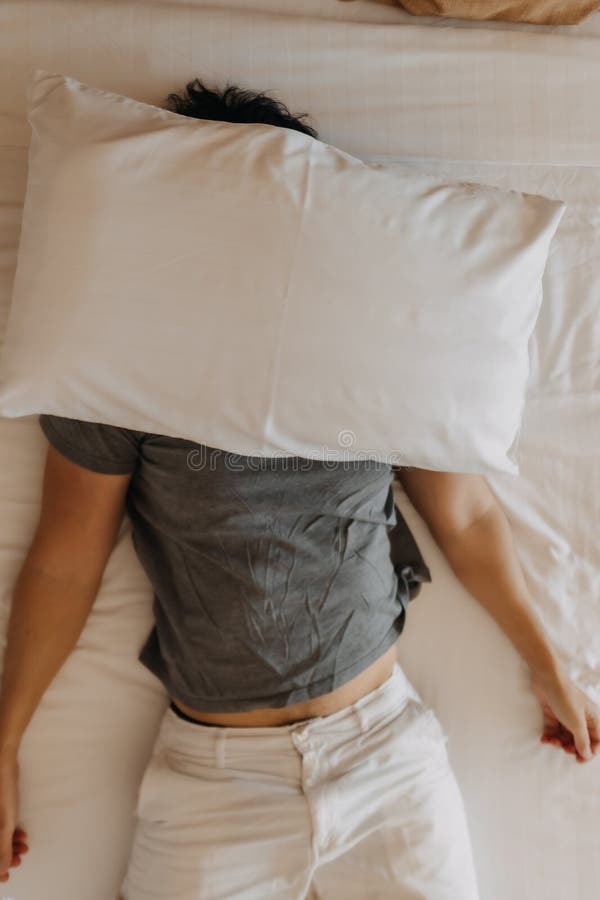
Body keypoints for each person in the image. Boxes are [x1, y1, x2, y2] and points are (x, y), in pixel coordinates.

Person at [0, 80, 598, 900]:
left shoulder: (377, 346)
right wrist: (4, 745)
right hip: (211, 785)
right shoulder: (123, 370)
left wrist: (548, 659)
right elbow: (65, 560)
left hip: (382, 751)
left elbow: (465, 515)